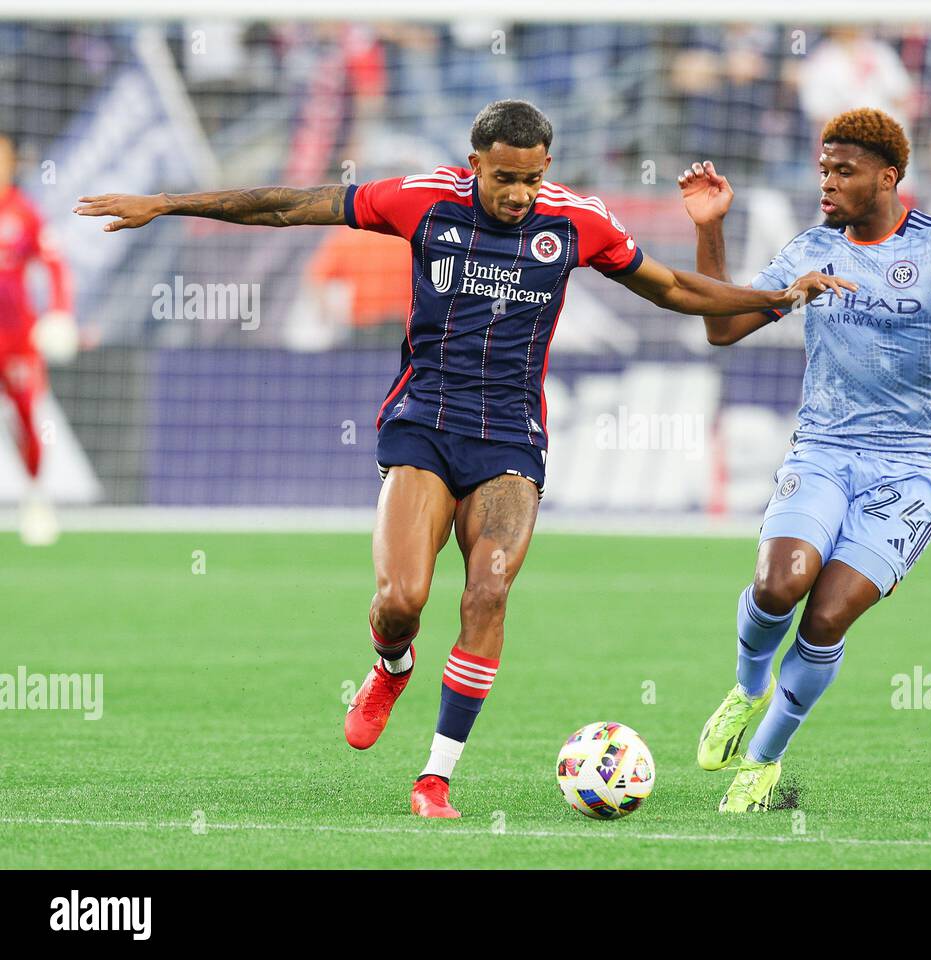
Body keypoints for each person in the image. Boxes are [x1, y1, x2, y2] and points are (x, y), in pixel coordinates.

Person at [75, 99, 849, 819]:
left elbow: (676, 288)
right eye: (506, 176)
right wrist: (166, 204)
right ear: (475, 162)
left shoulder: (576, 222)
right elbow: (290, 205)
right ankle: (392, 665)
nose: (519, 194)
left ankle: (435, 776)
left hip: (511, 439)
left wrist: (776, 297)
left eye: (533, 177)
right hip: (424, 421)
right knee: (400, 600)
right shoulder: (421, 199)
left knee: (489, 590)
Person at [677, 107, 931, 812]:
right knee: (780, 585)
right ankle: (748, 689)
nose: (828, 183)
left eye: (844, 171)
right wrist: (708, 226)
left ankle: (764, 759)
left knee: (826, 618)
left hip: (910, 469)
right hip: (822, 450)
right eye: (824, 169)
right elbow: (721, 326)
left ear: (888, 176)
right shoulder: (813, 247)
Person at [0, 133, 76, 546]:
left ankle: (35, 499)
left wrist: (60, 313)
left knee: (28, 418)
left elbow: (56, 265)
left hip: (15, 340)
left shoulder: (23, 214)